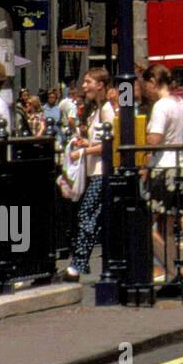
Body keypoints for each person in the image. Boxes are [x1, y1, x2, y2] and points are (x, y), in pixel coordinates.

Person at [138, 64, 183, 283]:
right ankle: (175, 271)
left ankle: (171, 268)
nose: (145, 90)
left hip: (163, 169)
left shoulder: (161, 106)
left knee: (144, 223)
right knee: (168, 225)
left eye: (146, 85)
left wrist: (144, 133)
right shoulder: (181, 103)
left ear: (152, 82)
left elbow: (155, 139)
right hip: (180, 166)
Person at [64, 69, 116, 280]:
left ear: (100, 85)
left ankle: (77, 265)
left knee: (86, 215)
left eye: (88, 82)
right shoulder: (97, 110)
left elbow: (109, 145)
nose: (84, 86)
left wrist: (83, 151)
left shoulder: (106, 110)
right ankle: (79, 264)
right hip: (95, 172)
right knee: (91, 217)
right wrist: (85, 143)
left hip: (102, 173)